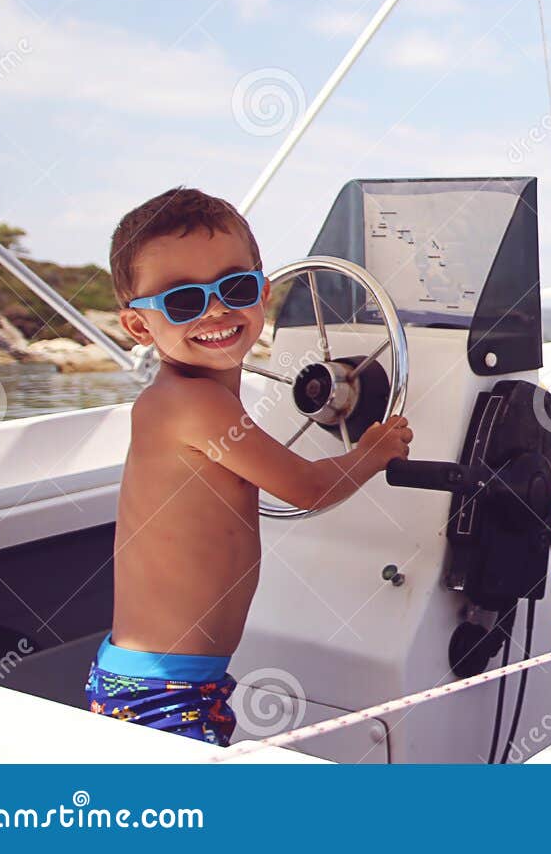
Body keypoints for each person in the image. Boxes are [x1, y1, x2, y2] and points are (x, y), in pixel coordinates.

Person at [85, 187, 411, 745]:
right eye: (182, 301)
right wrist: (372, 452)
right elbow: (307, 488)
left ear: (262, 292)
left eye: (235, 288)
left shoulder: (193, 401)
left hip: (173, 679)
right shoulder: (194, 404)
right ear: (140, 328)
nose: (215, 310)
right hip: (160, 691)